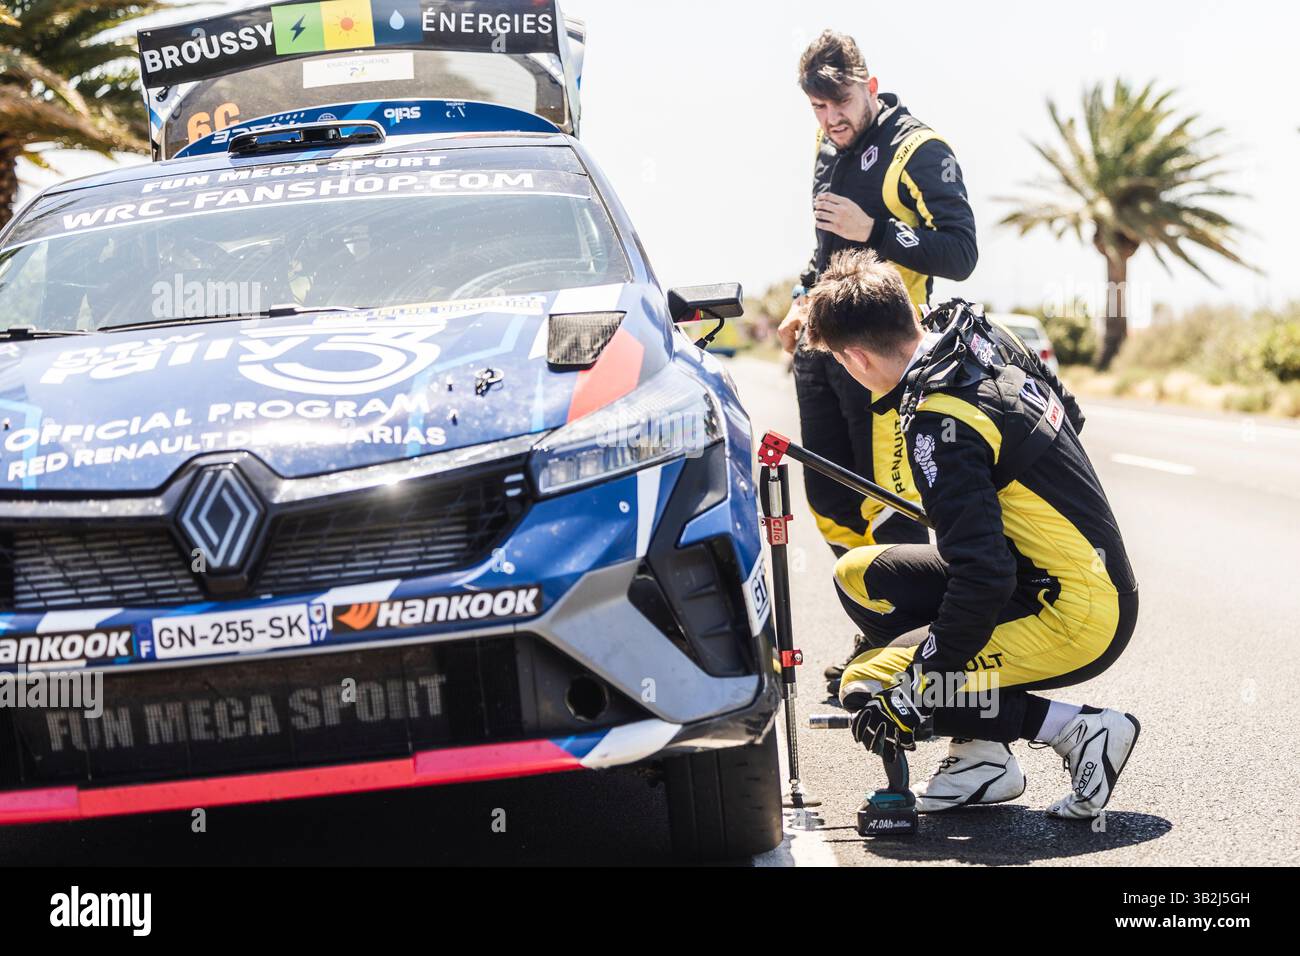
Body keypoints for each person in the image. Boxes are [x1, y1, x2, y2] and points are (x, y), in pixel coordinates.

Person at [801, 249, 1141, 820]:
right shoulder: (974, 332)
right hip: (1048, 574)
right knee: (859, 575)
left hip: (1077, 612)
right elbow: (1070, 412)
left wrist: (917, 686)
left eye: (839, 362)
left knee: (870, 684)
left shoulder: (939, 422)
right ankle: (981, 756)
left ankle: (1078, 730)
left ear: (855, 358)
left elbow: (982, 577)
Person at [779, 30, 979, 692]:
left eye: (840, 105)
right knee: (830, 498)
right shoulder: (824, 143)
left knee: (889, 507)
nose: (831, 121)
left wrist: (878, 230)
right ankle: (874, 628)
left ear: (869, 87)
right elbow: (824, 246)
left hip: (888, 362)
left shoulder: (919, 150)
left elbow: (960, 253)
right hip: (825, 346)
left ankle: (908, 655)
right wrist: (801, 300)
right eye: (817, 108)